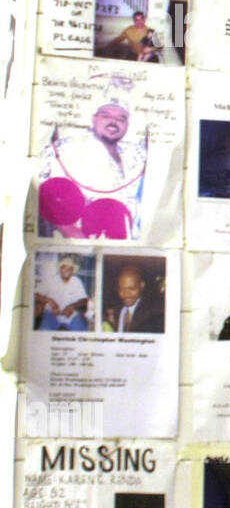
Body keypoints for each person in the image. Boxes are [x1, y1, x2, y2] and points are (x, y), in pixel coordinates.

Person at [37, 99, 146, 240]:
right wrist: (69, 230)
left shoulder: (134, 153)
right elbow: (43, 189)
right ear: (94, 119)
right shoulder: (68, 148)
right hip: (83, 239)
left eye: (121, 118)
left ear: (127, 126)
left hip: (127, 238)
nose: (113, 122)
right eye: (106, 116)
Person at [35, 256, 89, 331]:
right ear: (60, 269)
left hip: (72, 317)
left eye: (70, 268)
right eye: (64, 267)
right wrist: (50, 301)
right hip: (51, 315)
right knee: (43, 334)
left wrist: (72, 306)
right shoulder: (51, 280)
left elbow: (84, 300)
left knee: (83, 333)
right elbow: (35, 294)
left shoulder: (77, 281)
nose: (67, 270)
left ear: (73, 271)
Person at [107, 264, 164, 334]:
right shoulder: (117, 310)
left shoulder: (152, 314)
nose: (126, 294)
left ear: (141, 285)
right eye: (121, 289)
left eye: (131, 288)